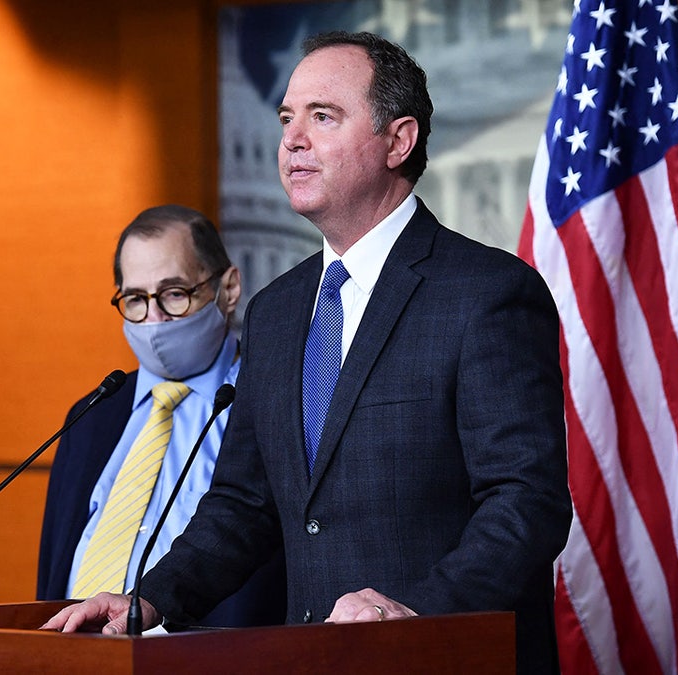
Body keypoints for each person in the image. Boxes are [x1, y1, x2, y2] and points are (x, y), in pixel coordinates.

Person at [42, 31, 571, 675]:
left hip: (444, 658)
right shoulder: (277, 312)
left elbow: (526, 503)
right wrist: (149, 599)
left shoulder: (487, 293)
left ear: (397, 141)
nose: (292, 139)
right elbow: (242, 505)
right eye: (287, 118)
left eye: (323, 117)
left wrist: (416, 610)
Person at [37, 205, 285, 627]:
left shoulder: (273, 406)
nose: (153, 320)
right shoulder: (91, 416)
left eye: (174, 294)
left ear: (227, 289)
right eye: (135, 299)